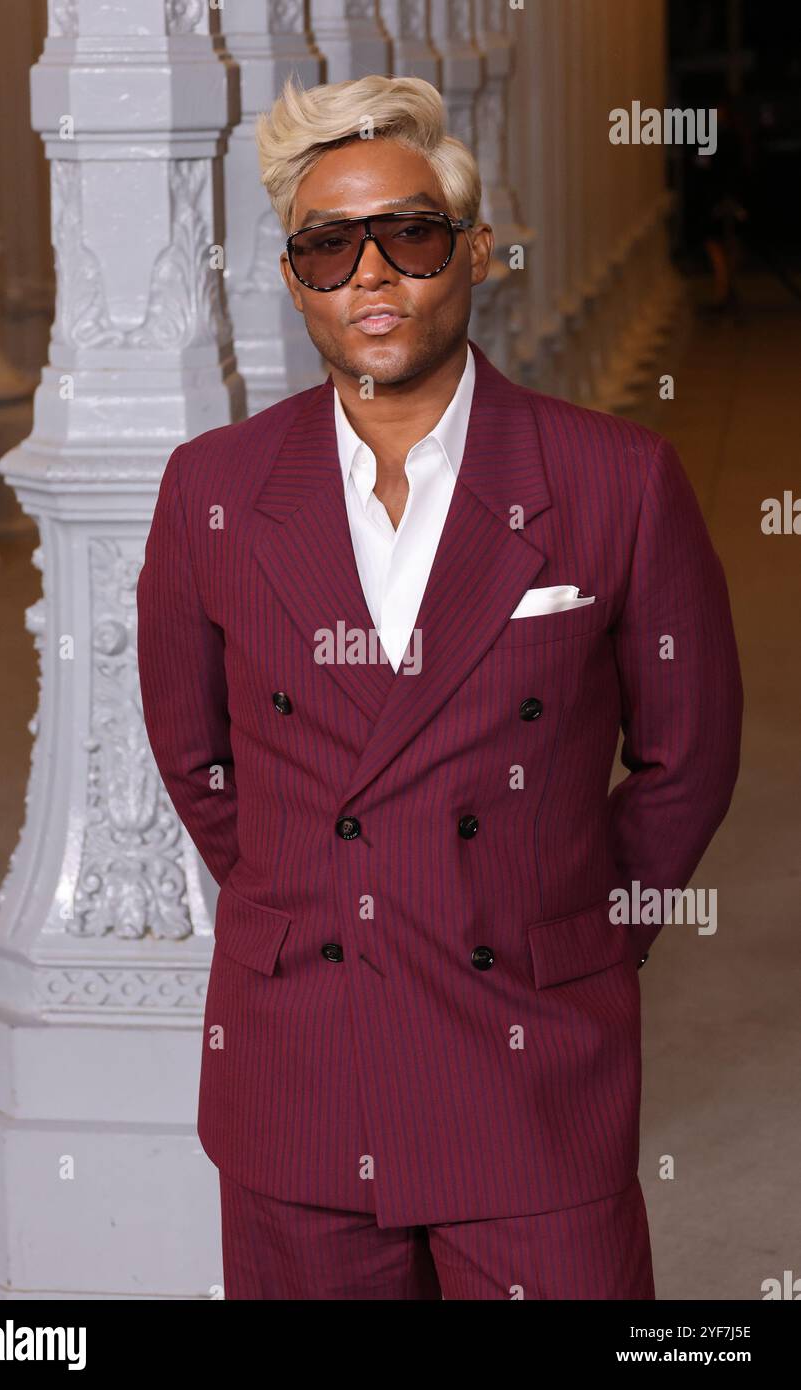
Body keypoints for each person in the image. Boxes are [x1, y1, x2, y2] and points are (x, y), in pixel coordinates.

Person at [136, 75, 743, 1300]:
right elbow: (194, 753)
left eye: (407, 233)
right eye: (326, 246)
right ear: (295, 276)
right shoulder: (211, 488)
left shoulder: (614, 477)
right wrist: (309, 889)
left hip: (529, 1059)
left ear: (469, 250)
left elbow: (687, 756)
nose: (370, 274)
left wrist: (573, 929)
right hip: (301, 1062)